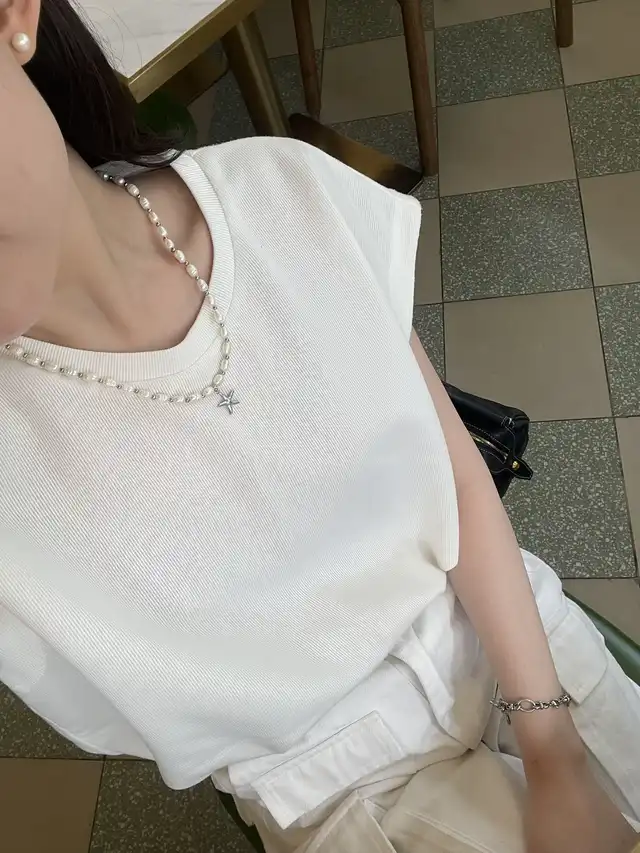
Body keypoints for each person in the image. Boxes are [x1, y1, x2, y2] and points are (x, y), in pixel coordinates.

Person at [0, 1, 638, 851]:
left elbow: (453, 475)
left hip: (515, 646)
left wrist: (550, 737)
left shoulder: (281, 194)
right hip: (332, 789)